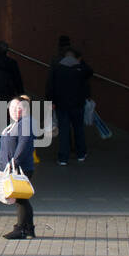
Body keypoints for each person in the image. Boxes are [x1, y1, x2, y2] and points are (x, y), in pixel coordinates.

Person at [46, 37, 92, 165]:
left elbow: (51, 85)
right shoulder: (80, 69)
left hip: (62, 104)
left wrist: (50, 101)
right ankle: (81, 154)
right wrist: (81, 62)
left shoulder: (57, 67)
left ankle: (63, 158)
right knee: (79, 129)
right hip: (78, 104)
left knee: (64, 130)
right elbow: (89, 73)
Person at [0, 95, 37, 240]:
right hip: (14, 167)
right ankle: (29, 229)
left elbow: (24, 145)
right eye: (12, 108)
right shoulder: (16, 124)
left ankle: (20, 229)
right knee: (22, 198)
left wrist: (14, 162)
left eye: (18, 108)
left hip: (20, 168)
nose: (15, 111)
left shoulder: (25, 123)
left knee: (20, 198)